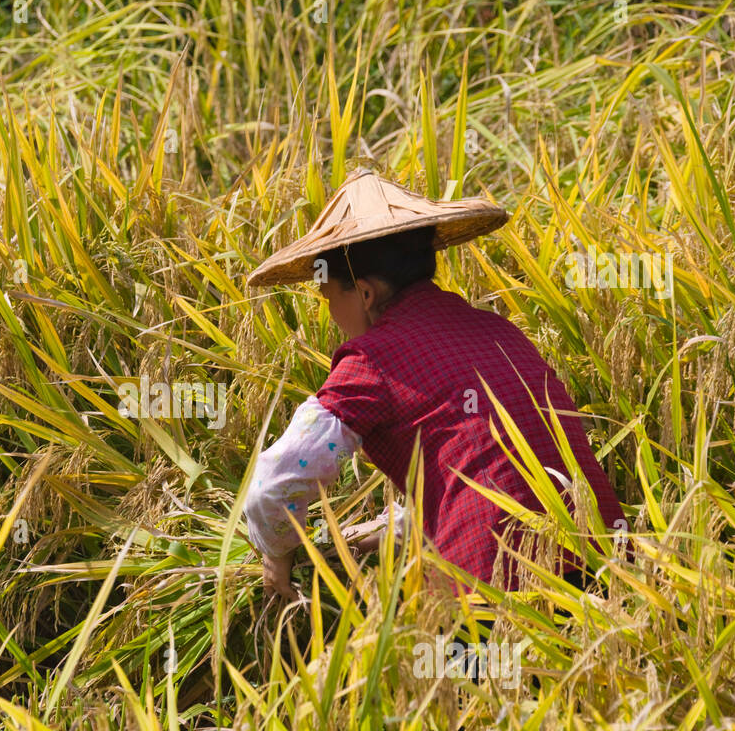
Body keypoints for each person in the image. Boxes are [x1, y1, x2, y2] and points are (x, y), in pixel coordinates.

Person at [242, 169, 626, 602]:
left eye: (329, 298)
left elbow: (273, 484)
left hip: (498, 594)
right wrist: (404, 525)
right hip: (611, 572)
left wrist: (277, 551)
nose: (329, 314)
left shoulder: (371, 360)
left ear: (365, 294)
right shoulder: (500, 332)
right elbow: (494, 460)